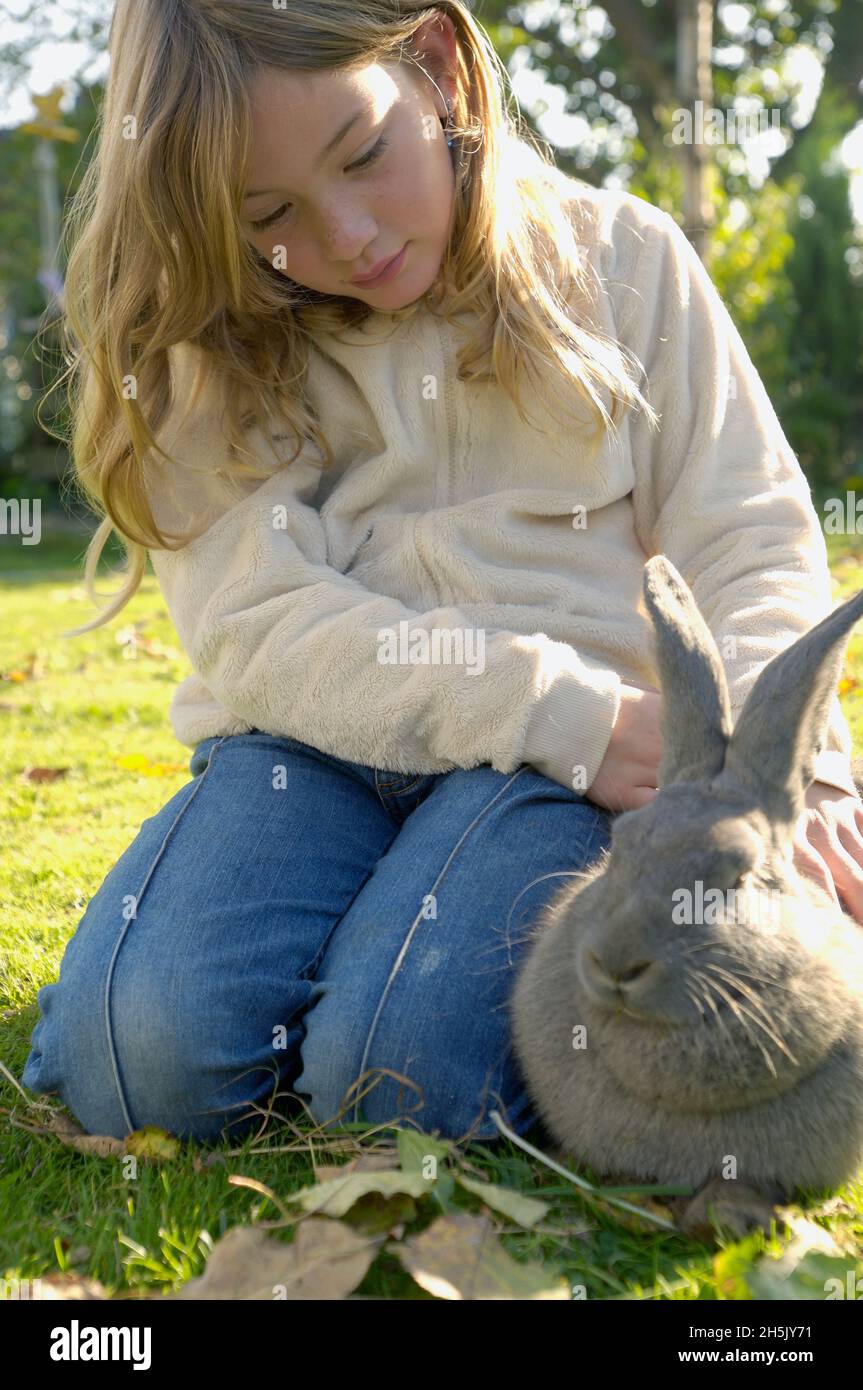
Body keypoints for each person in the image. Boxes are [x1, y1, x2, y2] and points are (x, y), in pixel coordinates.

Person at [21, 0, 863, 1145]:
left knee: (400, 1075)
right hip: (305, 752)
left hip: (554, 777)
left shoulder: (624, 261)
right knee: (141, 1062)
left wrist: (780, 773)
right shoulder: (213, 339)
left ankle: (374, 996)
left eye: (364, 153)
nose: (350, 235)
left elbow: (750, 542)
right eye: (270, 215)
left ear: (431, 63)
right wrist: (550, 705)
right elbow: (258, 624)